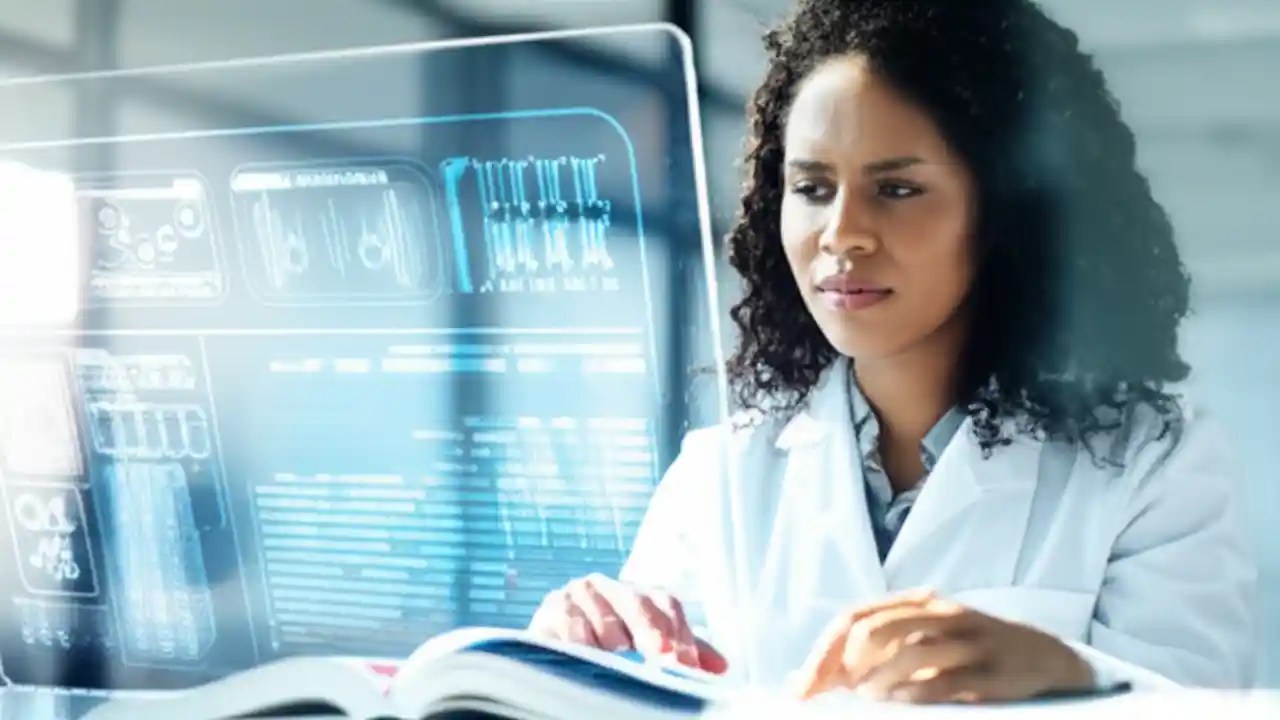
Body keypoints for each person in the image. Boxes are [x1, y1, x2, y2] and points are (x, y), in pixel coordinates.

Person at [528, 0, 1257, 703]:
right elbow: (649, 692)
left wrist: (1068, 674)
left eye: (898, 188)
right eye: (812, 187)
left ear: (1008, 210)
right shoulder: (716, 478)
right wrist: (571, 658)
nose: (842, 233)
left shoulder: (1154, 464)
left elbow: (1203, 701)